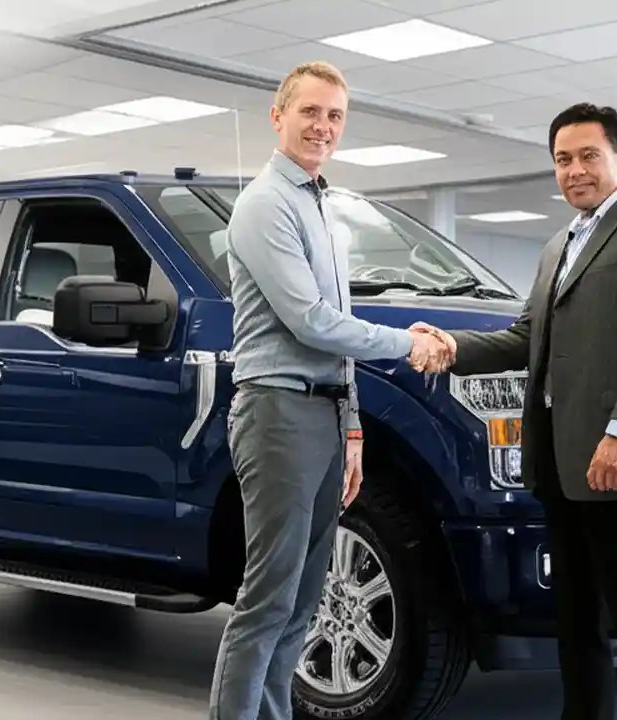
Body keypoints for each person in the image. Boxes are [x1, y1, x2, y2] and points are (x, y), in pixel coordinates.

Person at [431, 103, 617, 720]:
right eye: (562, 159)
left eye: (588, 156)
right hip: (560, 460)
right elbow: (528, 336)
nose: (574, 170)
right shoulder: (562, 242)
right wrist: (450, 347)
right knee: (576, 619)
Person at [207, 60, 452, 720]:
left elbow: (334, 332)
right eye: (310, 111)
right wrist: (409, 345)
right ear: (278, 116)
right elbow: (311, 321)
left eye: (335, 115)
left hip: (317, 415)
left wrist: (350, 426)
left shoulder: (320, 206)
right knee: (268, 600)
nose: (323, 126)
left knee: (303, 597)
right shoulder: (265, 204)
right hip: (277, 413)